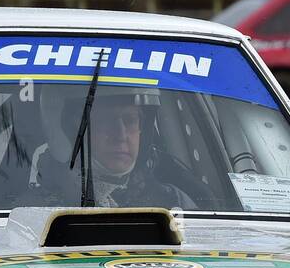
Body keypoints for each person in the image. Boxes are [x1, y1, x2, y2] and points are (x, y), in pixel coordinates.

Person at [32, 88, 196, 210]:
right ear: (74, 132)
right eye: (105, 121)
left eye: (130, 120)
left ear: (143, 131)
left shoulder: (174, 204)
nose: (121, 134)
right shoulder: (34, 212)